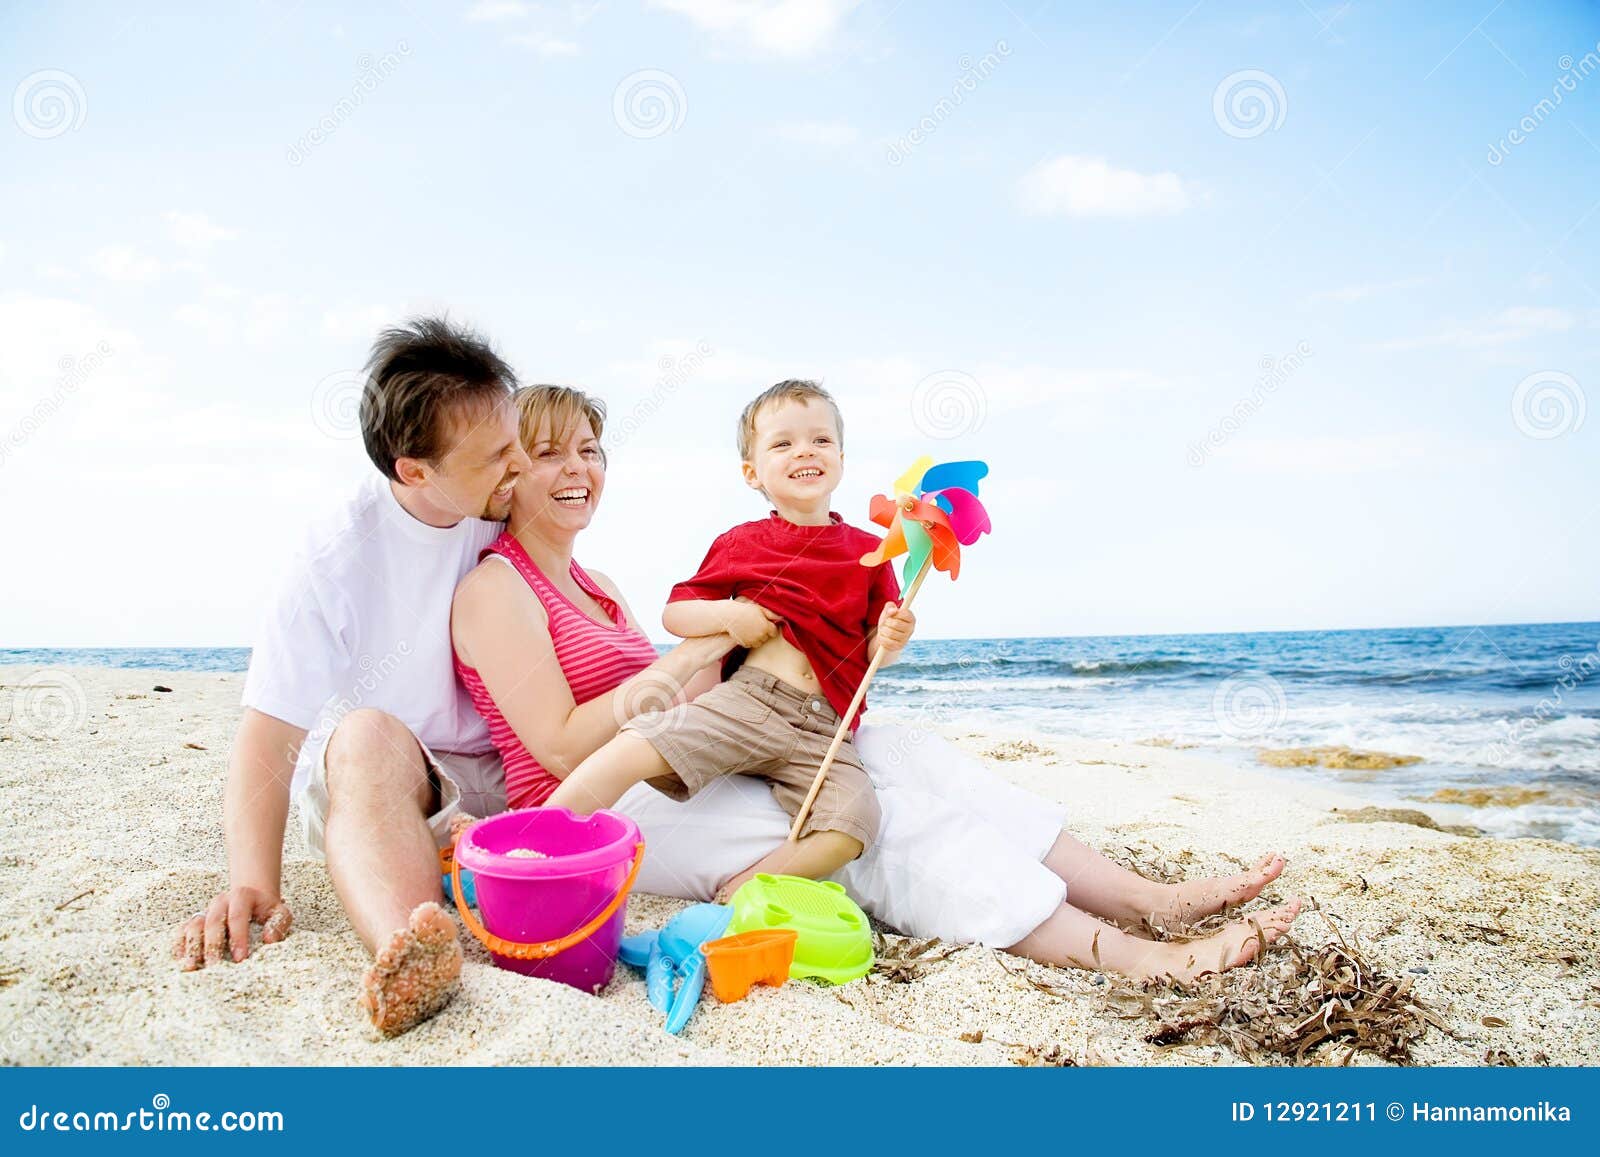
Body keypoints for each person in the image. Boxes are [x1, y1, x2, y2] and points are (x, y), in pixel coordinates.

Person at [454, 382, 1302, 985]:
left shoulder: (596, 585)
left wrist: (805, 661)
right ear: (505, 472)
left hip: (754, 728)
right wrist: (695, 657)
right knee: (892, 822)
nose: (579, 466)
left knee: (913, 754)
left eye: (592, 448)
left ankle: (1143, 897)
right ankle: (1133, 956)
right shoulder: (500, 584)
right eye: (549, 451)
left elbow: (727, 659)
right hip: (597, 820)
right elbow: (569, 741)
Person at [172, 317, 739, 1038]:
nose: (518, 465)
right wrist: (253, 882)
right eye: (499, 454)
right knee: (367, 735)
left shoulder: (495, 505)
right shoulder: (336, 556)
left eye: (516, 441)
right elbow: (268, 733)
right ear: (415, 470)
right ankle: (414, 946)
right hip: (390, 775)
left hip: (509, 773)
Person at [542, 380, 915, 892]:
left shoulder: (872, 552)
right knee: (633, 747)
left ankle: (736, 894)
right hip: (749, 701)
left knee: (854, 822)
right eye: (782, 443)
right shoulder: (742, 543)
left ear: (842, 458)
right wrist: (730, 617)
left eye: (820, 440)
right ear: (752, 472)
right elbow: (678, 614)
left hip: (827, 727)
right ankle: (532, 844)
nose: (805, 450)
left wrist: (891, 640)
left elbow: (875, 650)